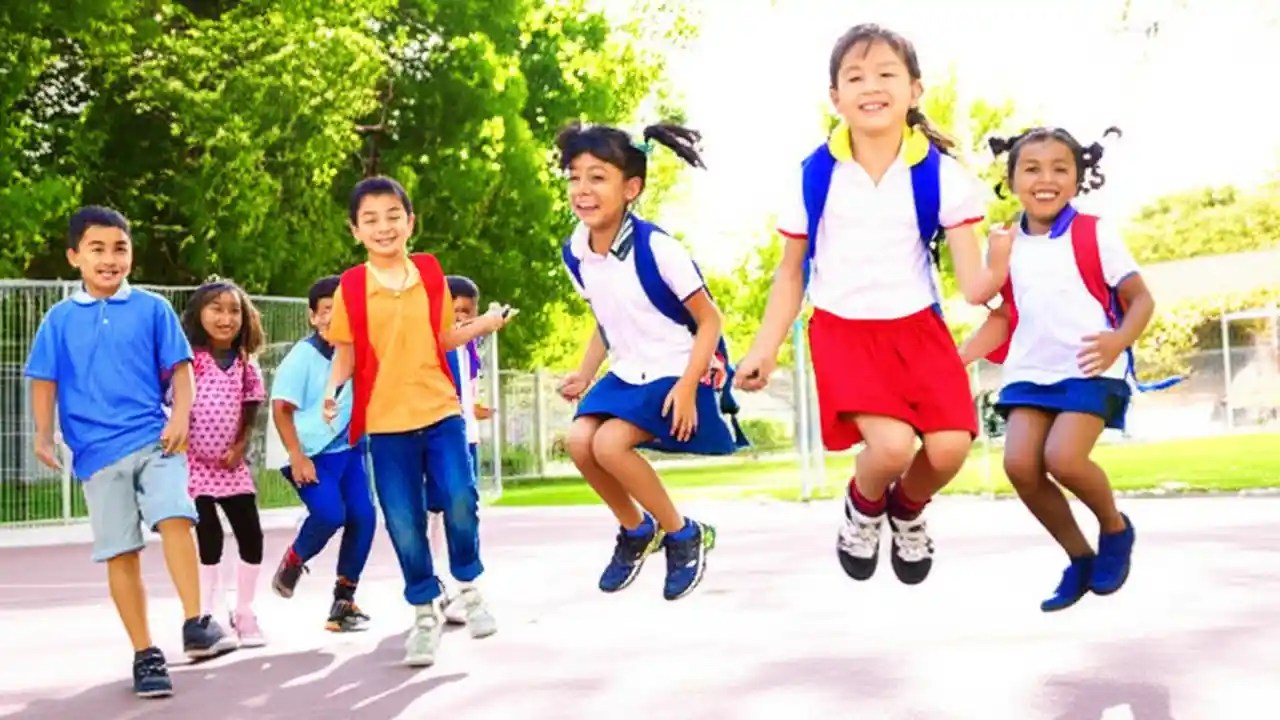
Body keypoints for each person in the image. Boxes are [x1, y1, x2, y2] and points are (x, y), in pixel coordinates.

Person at [733, 24, 1010, 586]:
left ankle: (906, 511)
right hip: (844, 330)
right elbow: (791, 273)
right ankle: (863, 507)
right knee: (889, 447)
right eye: (855, 77)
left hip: (918, 328)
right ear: (835, 97)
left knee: (952, 446)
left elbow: (975, 286)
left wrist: (1003, 256)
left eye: (886, 74)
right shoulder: (814, 175)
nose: (871, 86)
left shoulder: (944, 176)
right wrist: (763, 348)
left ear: (915, 90)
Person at [24, 206, 234, 699]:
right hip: (96, 454)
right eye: (97, 249)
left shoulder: (153, 309)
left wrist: (181, 415)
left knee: (176, 516)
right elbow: (44, 380)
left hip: (154, 440)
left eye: (120, 248)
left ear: (131, 255)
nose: (110, 258)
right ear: (75, 256)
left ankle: (195, 622)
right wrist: (41, 434)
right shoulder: (58, 320)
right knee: (121, 550)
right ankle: (146, 654)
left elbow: (181, 369)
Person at [322, 176, 515, 667]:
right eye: (370, 220)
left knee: (458, 496)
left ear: (410, 222)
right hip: (386, 424)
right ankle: (424, 614)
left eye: (393, 216)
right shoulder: (350, 287)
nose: (383, 227)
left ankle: (469, 586)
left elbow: (445, 338)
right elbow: (345, 350)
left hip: (440, 410)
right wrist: (331, 390)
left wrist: (486, 324)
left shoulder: (430, 273)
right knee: (404, 522)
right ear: (355, 230)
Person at [959, 126, 1151, 611]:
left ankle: (1114, 528)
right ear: (1012, 177)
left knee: (1063, 459)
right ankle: (1079, 558)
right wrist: (953, 360)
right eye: (1032, 168)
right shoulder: (1003, 243)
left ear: (1078, 178)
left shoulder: (1095, 232)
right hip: (1030, 371)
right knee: (1021, 466)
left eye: (1060, 169)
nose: (1046, 179)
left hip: (1090, 367)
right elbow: (1003, 317)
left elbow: (1141, 300)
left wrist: (1117, 341)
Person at [554, 121, 747, 602]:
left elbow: (710, 320)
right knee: (580, 441)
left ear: (630, 188)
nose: (583, 189)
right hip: (629, 368)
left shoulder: (658, 247)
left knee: (611, 446)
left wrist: (686, 388)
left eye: (597, 177)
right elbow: (606, 319)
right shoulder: (576, 251)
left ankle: (683, 534)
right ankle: (637, 529)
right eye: (575, 176)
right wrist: (584, 371)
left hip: (677, 364)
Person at [269, 275, 376, 632]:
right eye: (328, 311)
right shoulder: (303, 357)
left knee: (363, 516)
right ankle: (295, 559)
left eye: (344, 310)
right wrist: (297, 456)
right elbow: (281, 408)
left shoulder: (360, 351)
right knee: (330, 514)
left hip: (347, 450)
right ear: (313, 317)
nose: (335, 317)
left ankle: (344, 601)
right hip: (306, 452)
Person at [180, 278, 269, 647]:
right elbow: (173, 402)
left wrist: (240, 445)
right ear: (199, 314)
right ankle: (206, 613)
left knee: (251, 534)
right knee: (209, 536)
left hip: (231, 467)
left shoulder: (247, 366)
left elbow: (250, 411)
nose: (225, 318)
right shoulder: (188, 362)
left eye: (234, 310)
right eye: (216, 308)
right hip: (192, 465)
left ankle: (244, 611)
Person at [432, 274, 492, 626]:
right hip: (439, 437)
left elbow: (466, 390)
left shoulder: (468, 348)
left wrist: (476, 409)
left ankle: (462, 585)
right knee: (434, 513)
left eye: (467, 313)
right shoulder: (435, 346)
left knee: (464, 511)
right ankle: (435, 583)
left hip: (466, 438)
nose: (461, 319)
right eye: (453, 312)